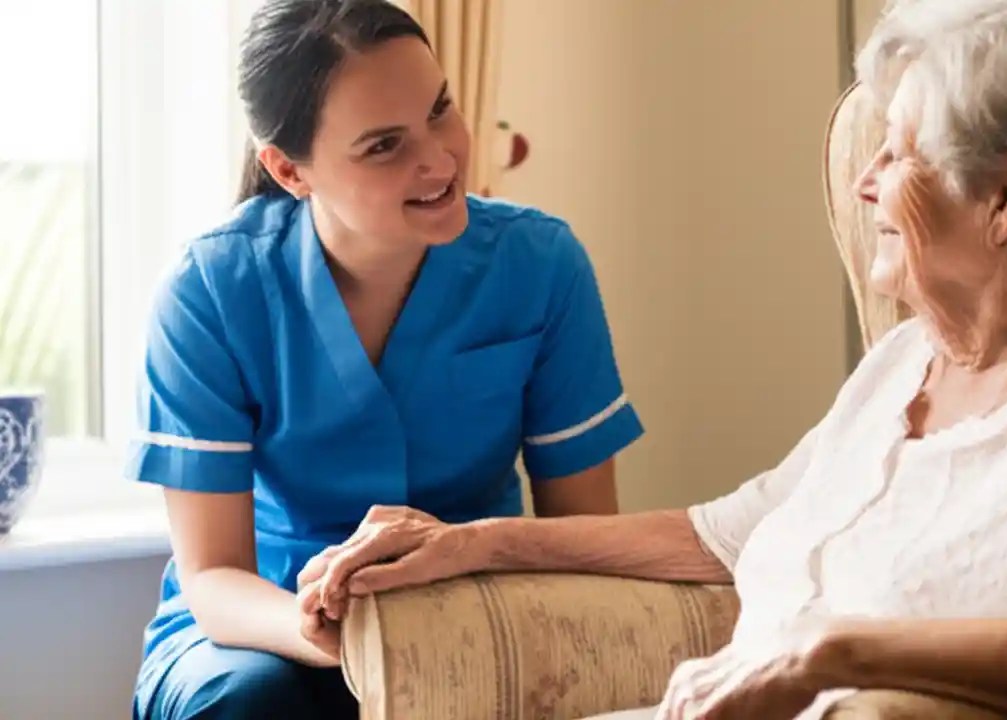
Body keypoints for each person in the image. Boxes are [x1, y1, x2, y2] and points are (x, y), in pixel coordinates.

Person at [299, 0, 1007, 718]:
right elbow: (724, 532)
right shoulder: (904, 367)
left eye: (896, 155)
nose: (863, 182)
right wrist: (472, 540)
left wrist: (839, 652)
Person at [127, 1, 644, 718]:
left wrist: (447, 620)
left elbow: (586, 539)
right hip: (262, 631)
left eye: (440, 110)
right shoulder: (209, 291)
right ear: (288, 169)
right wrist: (325, 630)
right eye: (384, 146)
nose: (439, 158)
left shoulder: (542, 264)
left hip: (476, 614)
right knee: (249, 703)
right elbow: (214, 576)